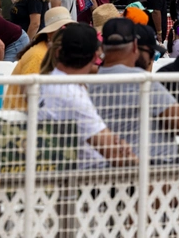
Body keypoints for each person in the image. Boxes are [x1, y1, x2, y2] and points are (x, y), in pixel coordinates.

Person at [37, 22, 139, 167]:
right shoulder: (72, 94)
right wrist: (132, 158)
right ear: (94, 57)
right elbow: (115, 156)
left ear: (58, 52)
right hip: (89, 177)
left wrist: (116, 143)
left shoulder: (47, 82)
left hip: (70, 170)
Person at [87, 18, 179, 161]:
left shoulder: (89, 83)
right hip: (155, 168)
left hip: (109, 168)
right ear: (135, 46)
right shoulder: (143, 81)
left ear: (102, 47)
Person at [4, 6, 74, 110]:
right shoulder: (38, 55)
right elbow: (30, 95)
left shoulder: (51, 51)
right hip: (20, 117)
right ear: (50, 33)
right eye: (64, 28)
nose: (68, 32)